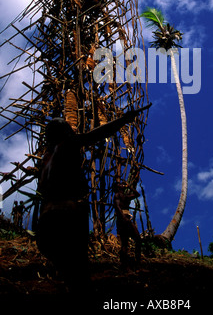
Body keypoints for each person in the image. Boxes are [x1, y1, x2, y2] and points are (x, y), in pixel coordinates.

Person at [35, 104, 151, 290]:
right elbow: (98, 133)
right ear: (65, 132)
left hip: (45, 222)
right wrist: (125, 119)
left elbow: (42, 192)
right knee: (79, 275)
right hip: (68, 214)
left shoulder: (45, 158)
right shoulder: (69, 144)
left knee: (65, 273)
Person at [114, 181, 141, 268]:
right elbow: (117, 207)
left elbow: (137, 194)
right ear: (118, 187)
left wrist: (129, 187)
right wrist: (124, 218)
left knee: (138, 238)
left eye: (123, 184)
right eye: (120, 184)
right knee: (125, 242)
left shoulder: (126, 196)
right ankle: (124, 264)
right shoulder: (117, 195)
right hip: (122, 220)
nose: (123, 185)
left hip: (127, 219)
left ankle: (137, 262)